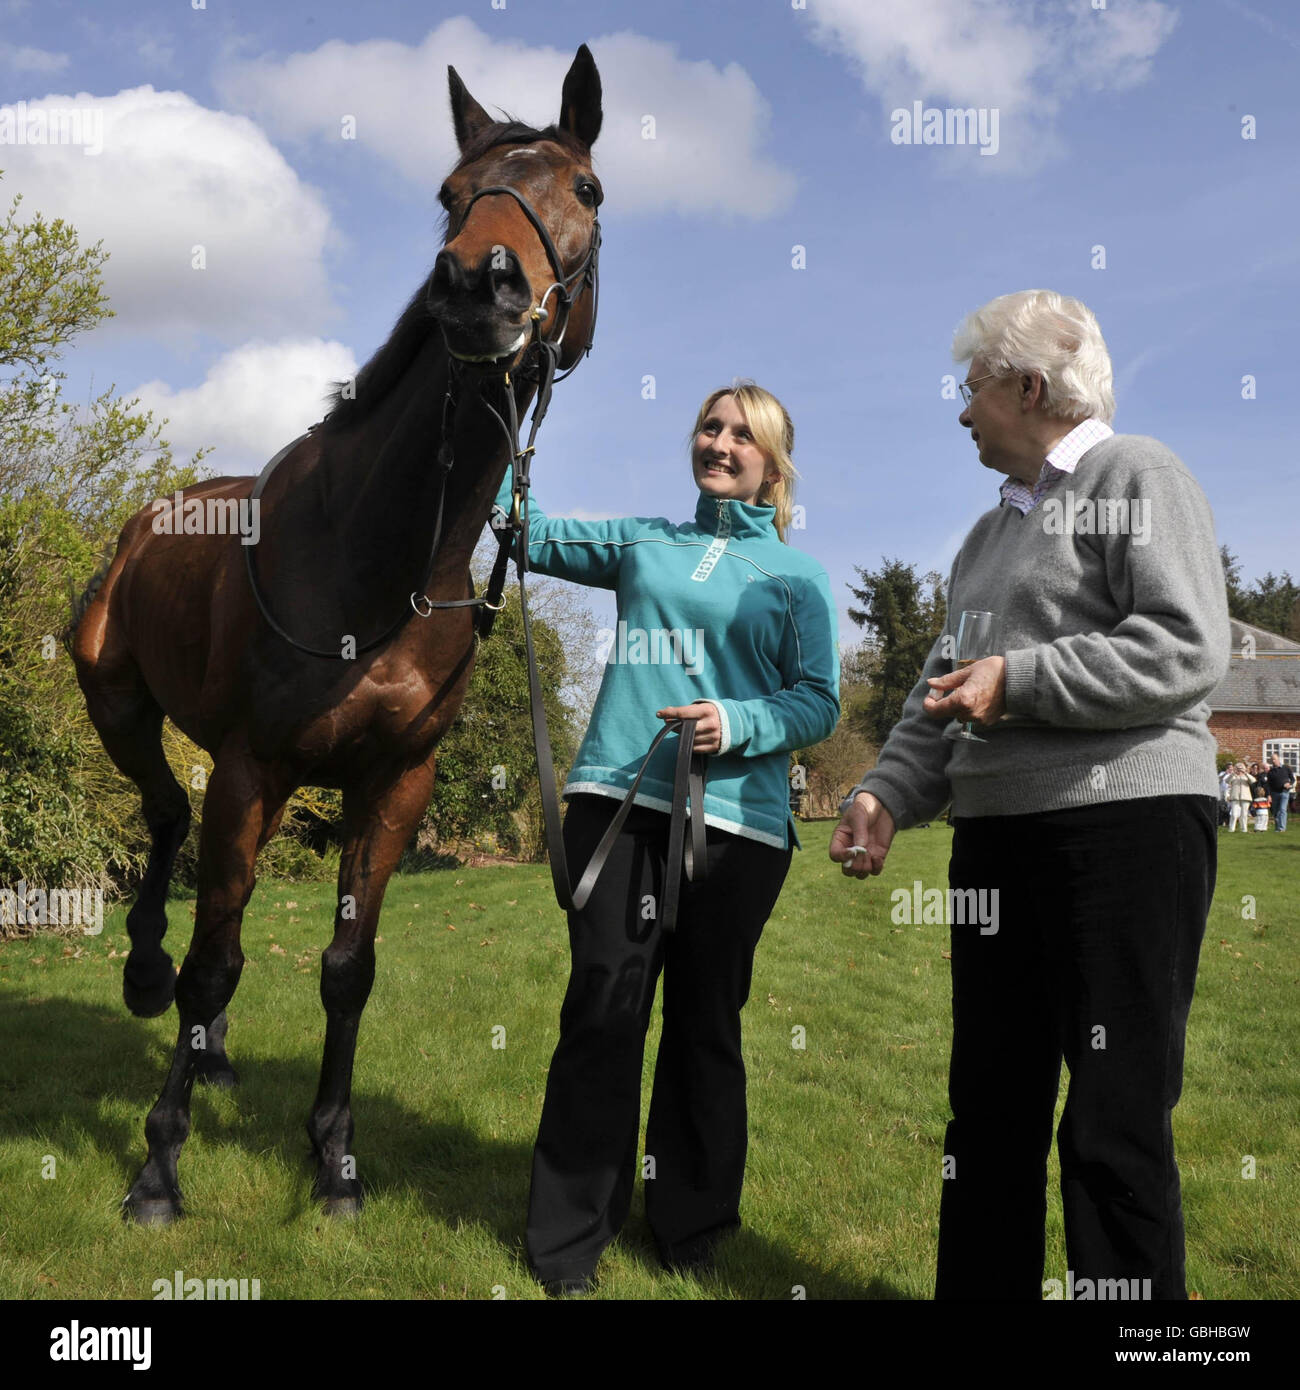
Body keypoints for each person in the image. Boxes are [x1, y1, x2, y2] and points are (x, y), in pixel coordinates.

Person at [830, 290, 1229, 1301]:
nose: (962, 412)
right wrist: (882, 792)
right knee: (988, 1116)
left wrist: (1020, 679)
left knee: (1112, 1119)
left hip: (1123, 832)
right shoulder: (984, 539)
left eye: (973, 389)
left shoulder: (1137, 471)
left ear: (1029, 384)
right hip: (996, 850)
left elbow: (1185, 645)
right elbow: (940, 692)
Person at [495, 381, 840, 1295]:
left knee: (703, 1026)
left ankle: (689, 1231)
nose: (719, 443)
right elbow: (520, 530)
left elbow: (819, 700)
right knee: (602, 1014)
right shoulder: (645, 541)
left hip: (739, 831)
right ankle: (567, 1244)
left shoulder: (798, 579)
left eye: (741, 436)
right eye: (709, 426)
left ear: (773, 465)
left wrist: (736, 722)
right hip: (618, 801)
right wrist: (482, 408)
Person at [1265, 754, 1294, 832]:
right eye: (1272, 760)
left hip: (1285, 792)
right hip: (1274, 793)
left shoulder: (1286, 768)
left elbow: (1292, 779)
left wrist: (1289, 784)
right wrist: (1268, 795)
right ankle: (1277, 828)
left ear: (1278, 759)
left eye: (1274, 759)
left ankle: (1282, 828)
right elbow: (1268, 785)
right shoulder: (1270, 772)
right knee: (1276, 811)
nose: (1273, 761)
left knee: (1282, 810)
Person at [1226, 764, 1253, 832]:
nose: (1239, 770)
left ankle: (1244, 829)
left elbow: (1253, 781)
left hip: (1245, 797)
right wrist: (1233, 773)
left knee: (1244, 814)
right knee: (1234, 814)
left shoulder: (1246, 776)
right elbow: (1227, 781)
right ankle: (1231, 829)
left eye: (1241, 768)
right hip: (1235, 797)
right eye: (1238, 768)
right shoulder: (1233, 776)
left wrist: (1245, 773)